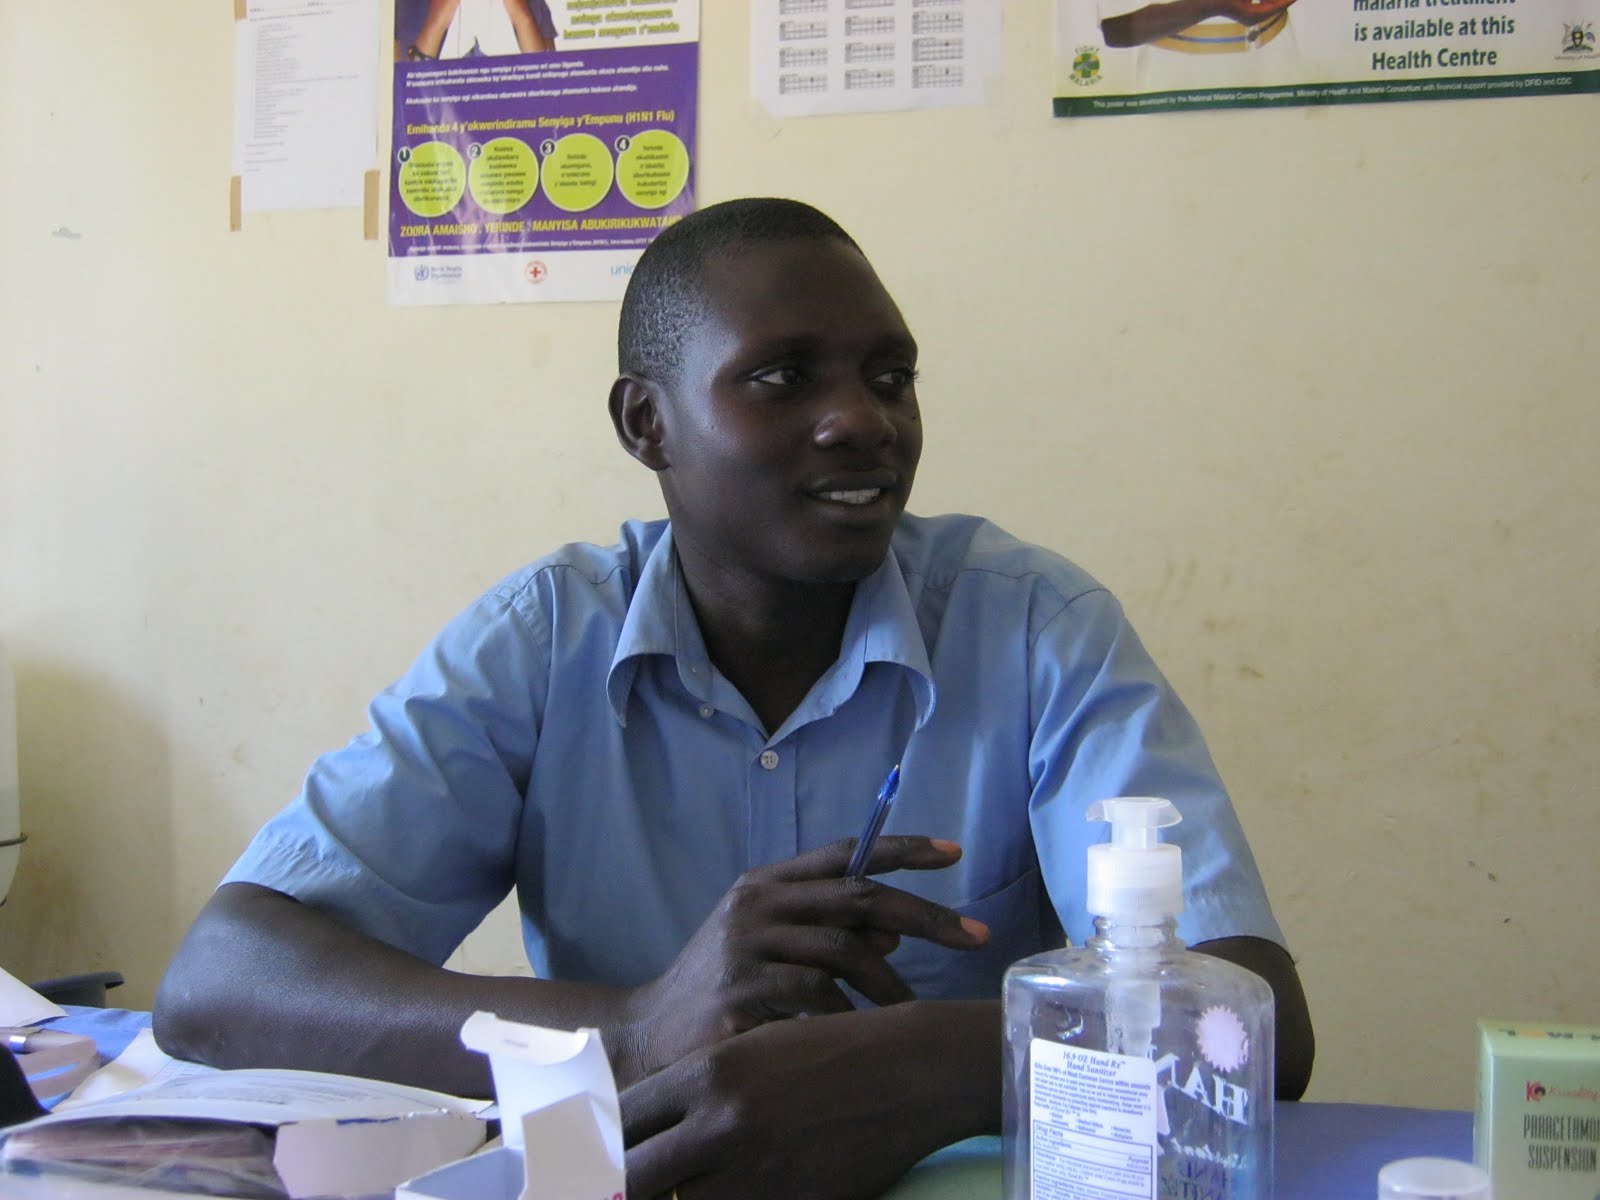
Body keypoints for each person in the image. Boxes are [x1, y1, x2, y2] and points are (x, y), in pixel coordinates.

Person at [154, 198, 1313, 1200]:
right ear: (644, 423)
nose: (864, 417)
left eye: (891, 376)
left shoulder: (1031, 627)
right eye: (781, 376)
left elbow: (1254, 1022)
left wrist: (917, 1067)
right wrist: (634, 1030)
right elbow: (222, 982)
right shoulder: (543, 640)